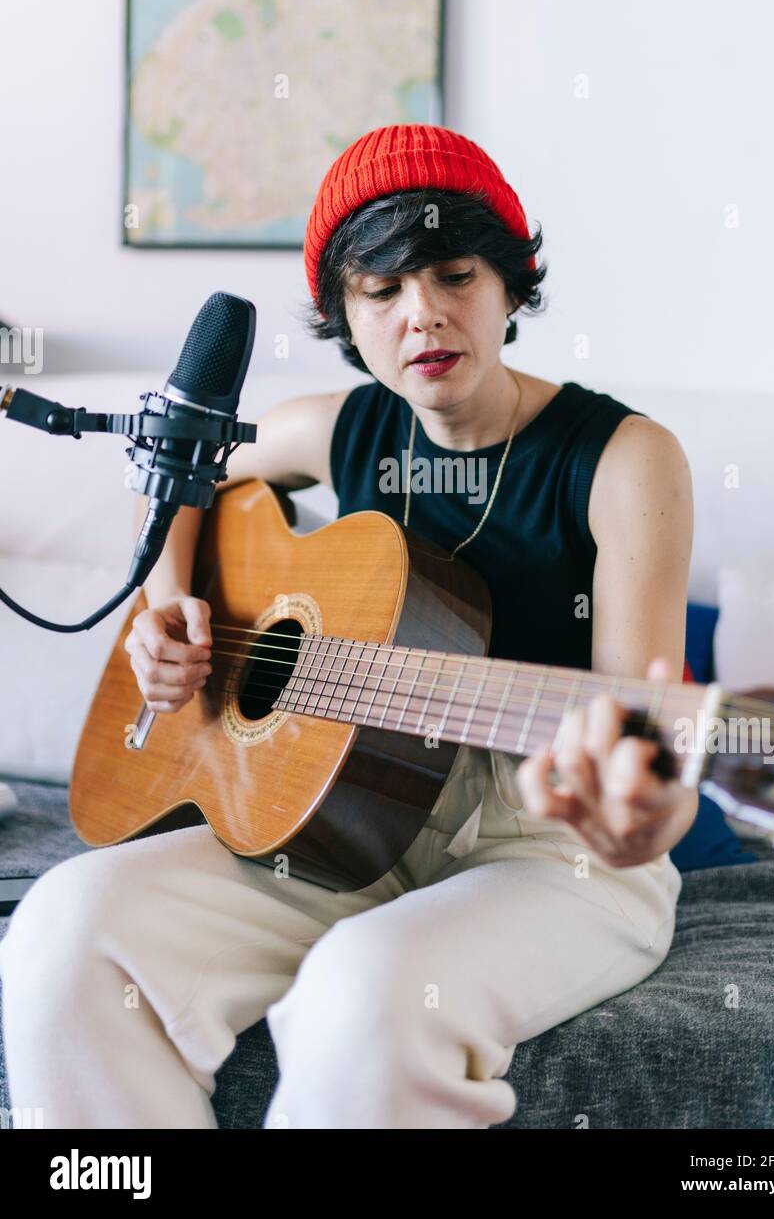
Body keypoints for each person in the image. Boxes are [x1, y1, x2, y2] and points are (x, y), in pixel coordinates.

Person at [0, 124, 697, 1129]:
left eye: (456, 274)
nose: (423, 314)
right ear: (345, 315)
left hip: (550, 849)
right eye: (382, 291)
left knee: (359, 994)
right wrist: (165, 608)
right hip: (350, 819)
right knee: (62, 931)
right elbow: (182, 479)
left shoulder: (626, 459)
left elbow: (643, 742)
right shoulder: (338, 427)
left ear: (509, 287)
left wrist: (635, 802)